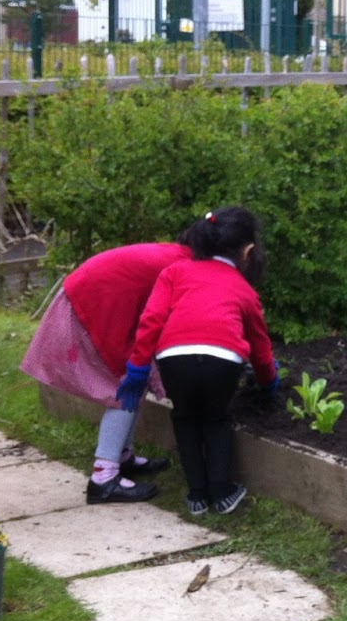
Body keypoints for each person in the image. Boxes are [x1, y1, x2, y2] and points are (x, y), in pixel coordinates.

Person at [119, 208, 278, 517]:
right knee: (217, 420)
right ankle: (222, 492)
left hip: (174, 358)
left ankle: (196, 496)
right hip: (223, 359)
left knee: (185, 419)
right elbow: (260, 346)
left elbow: (151, 320)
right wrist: (269, 381)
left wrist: (138, 367)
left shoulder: (175, 273)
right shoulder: (244, 289)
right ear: (248, 251)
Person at [21, 241, 190, 503]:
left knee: (134, 381)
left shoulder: (179, 256)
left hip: (99, 301)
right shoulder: (183, 267)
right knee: (123, 388)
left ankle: (122, 455)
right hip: (92, 306)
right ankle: (104, 478)